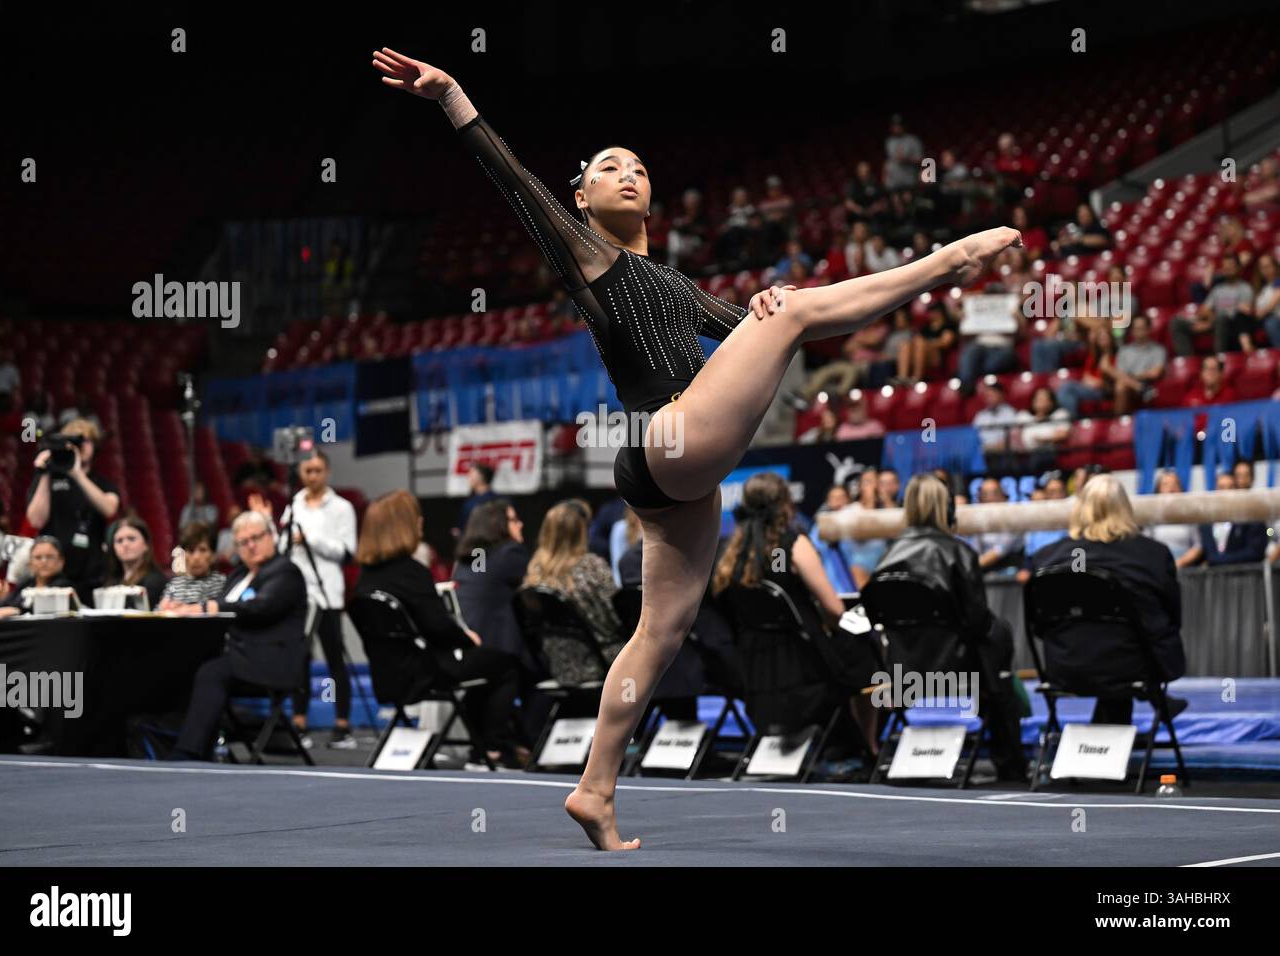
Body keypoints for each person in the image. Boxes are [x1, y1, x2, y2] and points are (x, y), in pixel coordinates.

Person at [375, 47, 1023, 849]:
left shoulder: (673, 284)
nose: (628, 174)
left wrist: (760, 305)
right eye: (607, 168)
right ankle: (947, 259)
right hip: (667, 435)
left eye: (638, 166)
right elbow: (513, 182)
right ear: (580, 198)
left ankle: (595, 790)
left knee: (660, 633)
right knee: (789, 316)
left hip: (672, 471)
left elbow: (745, 323)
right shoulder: (591, 259)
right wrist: (452, 95)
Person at [865, 474, 1028, 779]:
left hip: (903, 673)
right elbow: (978, 622)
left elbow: (874, 619)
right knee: (999, 656)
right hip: (956, 671)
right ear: (948, 509)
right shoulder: (959, 553)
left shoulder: (887, 558)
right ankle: (1012, 765)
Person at [354, 490, 529, 768]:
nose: (421, 522)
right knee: (505, 664)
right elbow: (437, 628)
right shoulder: (412, 572)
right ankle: (492, 748)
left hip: (386, 674)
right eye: (416, 517)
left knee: (480, 669)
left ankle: (484, 746)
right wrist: (466, 637)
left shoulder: (364, 579)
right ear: (403, 526)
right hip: (423, 674)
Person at [711, 472, 879, 754]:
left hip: (755, 670)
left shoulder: (731, 552)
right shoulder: (792, 544)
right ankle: (866, 748)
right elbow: (834, 608)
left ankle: (850, 742)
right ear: (785, 504)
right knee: (867, 652)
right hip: (806, 666)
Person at [1031, 475, 1186, 725]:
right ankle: (1153, 702)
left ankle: (1105, 737)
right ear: (1125, 509)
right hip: (1132, 666)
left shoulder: (1046, 558)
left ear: (1080, 509)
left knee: (1108, 640)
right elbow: (1172, 617)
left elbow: (1037, 626)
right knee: (1122, 642)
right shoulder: (1152, 555)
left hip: (1066, 666)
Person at [168, 510, 309, 761]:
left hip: (272, 659)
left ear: (271, 536)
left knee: (213, 672)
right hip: (239, 655)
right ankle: (192, 745)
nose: (251, 545)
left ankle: (187, 753)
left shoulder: (285, 572)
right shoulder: (238, 575)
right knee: (188, 666)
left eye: (256, 537)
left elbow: (261, 607)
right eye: (243, 542)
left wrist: (211, 607)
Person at [252, 450, 357, 750]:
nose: (312, 476)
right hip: (299, 595)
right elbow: (282, 546)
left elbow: (346, 551)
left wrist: (310, 538)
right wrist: (267, 523)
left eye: (318, 470)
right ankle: (299, 720)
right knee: (300, 659)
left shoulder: (342, 508)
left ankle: (342, 723)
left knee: (335, 658)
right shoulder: (294, 504)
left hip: (328, 594)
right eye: (307, 471)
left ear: (328, 471)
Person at [521, 500, 623, 683]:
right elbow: (616, 618)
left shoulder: (534, 572)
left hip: (557, 666)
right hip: (600, 661)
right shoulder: (591, 567)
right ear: (582, 531)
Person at [24, 417, 121, 604]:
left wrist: (77, 473)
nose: (81, 446)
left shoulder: (101, 482)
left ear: (95, 446)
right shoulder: (48, 480)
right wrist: (45, 473)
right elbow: (36, 520)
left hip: (91, 572)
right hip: (53, 572)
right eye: (75, 441)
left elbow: (109, 509)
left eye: (85, 440)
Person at [451, 498, 531, 665]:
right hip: (497, 649)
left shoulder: (473, 556)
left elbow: (482, 580)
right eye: (514, 520)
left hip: (467, 643)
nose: (521, 524)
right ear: (498, 524)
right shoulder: (510, 554)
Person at [1171, 253, 1255, 356]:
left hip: (1230, 326)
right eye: (1225, 267)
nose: (1227, 269)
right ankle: (1189, 362)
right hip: (1213, 322)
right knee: (1176, 322)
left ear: (1238, 268)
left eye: (1231, 266)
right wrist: (1210, 320)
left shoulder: (1245, 288)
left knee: (1221, 318)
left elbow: (1242, 312)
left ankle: (1219, 358)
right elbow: (1203, 310)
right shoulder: (1218, 289)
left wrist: (1211, 320)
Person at [0, 536, 74, 620]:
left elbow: (38, 609)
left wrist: (14, 611)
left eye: (50, 557)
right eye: (38, 557)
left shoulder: (65, 587)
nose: (44, 562)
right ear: (30, 563)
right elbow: (4, 605)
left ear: (61, 561)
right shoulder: (26, 585)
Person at [1198, 471, 1268, 565]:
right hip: (1215, 576)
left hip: (1246, 574)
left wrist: (1220, 560)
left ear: (1237, 489)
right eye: (1221, 487)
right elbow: (1208, 554)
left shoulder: (1251, 518)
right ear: (1215, 490)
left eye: (1231, 487)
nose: (1226, 492)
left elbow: (1255, 553)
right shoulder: (1206, 523)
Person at [103, 515, 168, 609]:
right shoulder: (112, 581)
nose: (125, 544)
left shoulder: (155, 581)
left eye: (131, 539)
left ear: (146, 545)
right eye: (119, 541)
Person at [159, 522, 228, 609]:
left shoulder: (221, 583)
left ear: (213, 555)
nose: (196, 557)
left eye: (203, 550)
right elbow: (158, 613)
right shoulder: (175, 584)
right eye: (191, 550)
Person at [1143, 470, 1203, 568]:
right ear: (1158, 490)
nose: (1171, 488)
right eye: (1166, 484)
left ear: (1180, 489)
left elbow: (1198, 546)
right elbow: (1146, 546)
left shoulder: (1189, 515)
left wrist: (1180, 562)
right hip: (1159, 567)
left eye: (1175, 484)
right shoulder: (1152, 516)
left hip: (1185, 567)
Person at [1113, 314, 1166, 414]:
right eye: (1136, 328)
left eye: (1142, 328)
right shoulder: (1124, 351)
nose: (1139, 331)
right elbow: (1120, 374)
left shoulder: (1159, 350)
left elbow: (1155, 373)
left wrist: (1133, 377)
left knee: (1122, 383)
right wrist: (1134, 382)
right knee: (1120, 385)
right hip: (1129, 387)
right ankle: (1120, 423)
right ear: (1132, 331)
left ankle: (1118, 422)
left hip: (1149, 384)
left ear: (1149, 329)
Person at [456, 462, 498, 535]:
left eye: (471, 474)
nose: (468, 478)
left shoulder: (498, 501)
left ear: (481, 477)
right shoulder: (469, 503)